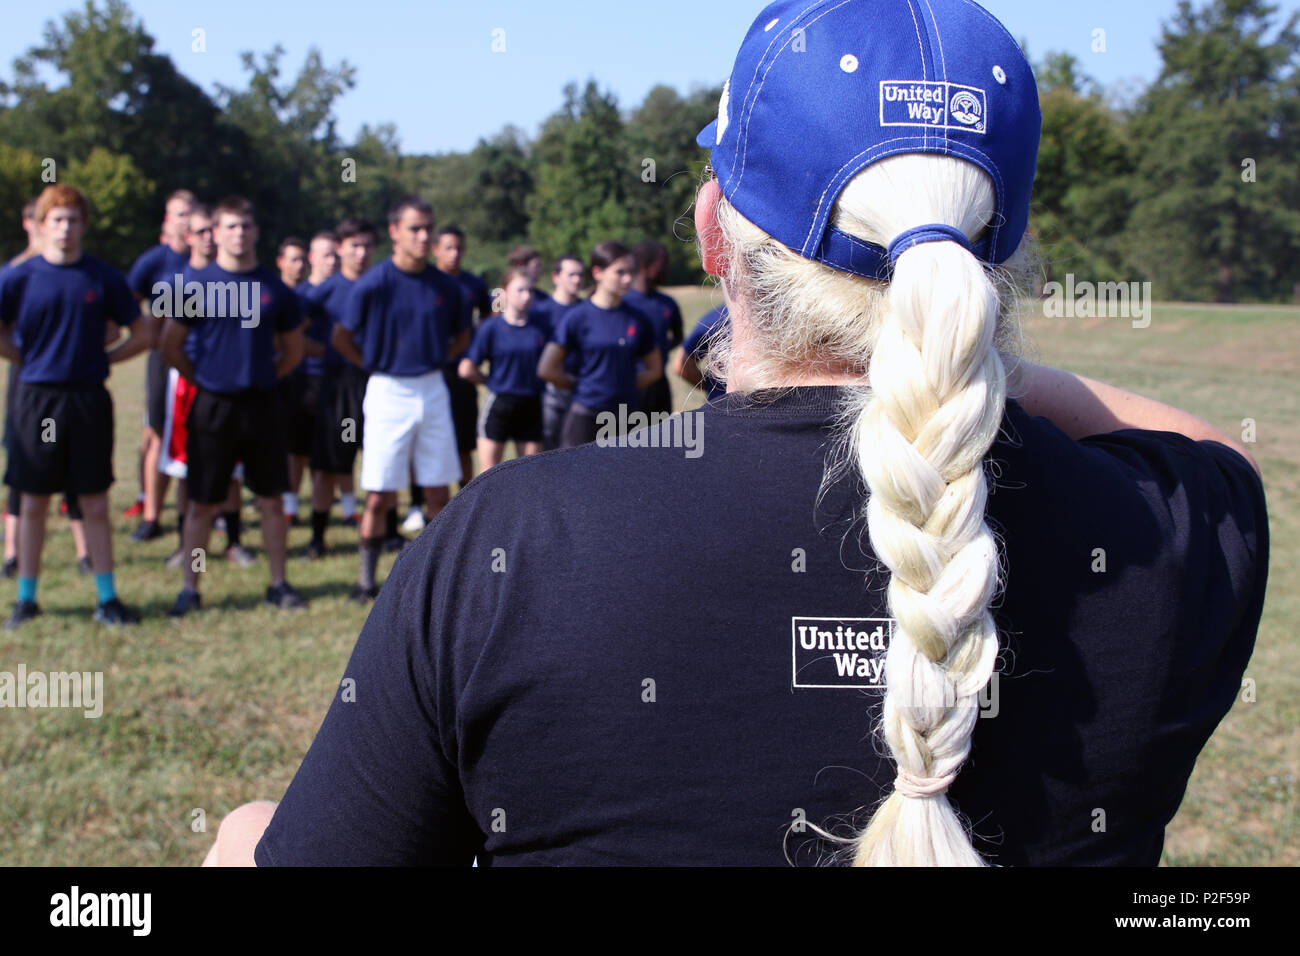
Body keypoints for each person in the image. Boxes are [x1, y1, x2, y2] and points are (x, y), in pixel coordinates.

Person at [206, 0, 1268, 867]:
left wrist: (243, 839)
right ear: (1005, 255)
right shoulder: (1167, 543)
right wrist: (967, 362)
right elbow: (1212, 451)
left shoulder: (512, 544)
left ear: (714, 232)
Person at [0, 184, 154, 628]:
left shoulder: (102, 277)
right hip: (36, 399)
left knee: (95, 503)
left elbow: (142, 333)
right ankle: (26, 599)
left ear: (84, 225)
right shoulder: (19, 277)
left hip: (88, 400)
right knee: (33, 503)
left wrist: (104, 359)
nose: (65, 228)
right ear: (41, 225)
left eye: (73, 219)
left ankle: (107, 598)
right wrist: (25, 359)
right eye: (57, 220)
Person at [160, 196, 307, 617]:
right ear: (215, 232)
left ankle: (278, 583)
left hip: (262, 405)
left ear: (256, 232)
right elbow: (171, 346)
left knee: (271, 500)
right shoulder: (194, 286)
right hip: (212, 406)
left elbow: (292, 351)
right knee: (202, 502)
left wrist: (263, 378)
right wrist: (204, 379)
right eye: (230, 226)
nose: (239, 233)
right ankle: (191, 588)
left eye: (245, 225)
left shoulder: (275, 289)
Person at [330, 196, 466, 602]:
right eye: (414, 228)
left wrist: (440, 358)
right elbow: (341, 336)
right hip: (388, 389)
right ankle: (365, 581)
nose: (424, 236)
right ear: (393, 232)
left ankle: (437, 579)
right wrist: (372, 363)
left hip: (432, 387)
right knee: (379, 492)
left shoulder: (444, 285)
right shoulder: (374, 283)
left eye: (429, 227)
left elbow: (463, 334)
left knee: (439, 489)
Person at [157, 204, 251, 570]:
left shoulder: (241, 280)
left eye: (211, 230)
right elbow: (163, 336)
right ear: (188, 237)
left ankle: (234, 539)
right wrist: (196, 376)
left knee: (233, 472)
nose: (208, 238)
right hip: (190, 382)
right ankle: (188, 547)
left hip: (230, 389)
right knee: (187, 469)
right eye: (200, 232)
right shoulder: (180, 281)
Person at [402, 225, 493, 532]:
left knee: (462, 441)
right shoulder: (424, 283)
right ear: (436, 249)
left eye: (459, 248)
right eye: (448, 248)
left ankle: (467, 505)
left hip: (459, 374)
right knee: (420, 442)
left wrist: (477, 351)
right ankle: (416, 504)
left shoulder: (473, 285)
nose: (454, 254)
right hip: (426, 371)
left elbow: (489, 323)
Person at [537, 240, 662, 448]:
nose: (628, 279)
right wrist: (581, 386)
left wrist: (625, 384)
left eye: (630, 272)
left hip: (626, 416)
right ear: (598, 273)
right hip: (585, 414)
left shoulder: (638, 319)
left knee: (626, 479)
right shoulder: (577, 317)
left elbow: (654, 369)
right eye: (620, 272)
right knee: (575, 478)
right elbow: (546, 368)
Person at [300, 217, 375, 560]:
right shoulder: (323, 292)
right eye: (353, 246)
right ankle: (317, 538)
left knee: (378, 463)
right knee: (328, 465)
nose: (360, 253)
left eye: (366, 246)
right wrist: (327, 351)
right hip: (338, 385)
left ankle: (382, 533)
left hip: (378, 384)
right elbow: (293, 334)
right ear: (341, 248)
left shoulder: (381, 286)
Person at [124, 188, 193, 542]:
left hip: (195, 364)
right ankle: (151, 515)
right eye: (179, 214)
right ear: (168, 220)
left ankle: (195, 519)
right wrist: (150, 331)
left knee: (190, 439)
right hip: (162, 361)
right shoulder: (154, 261)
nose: (185, 220)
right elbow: (125, 301)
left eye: (190, 213)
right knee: (156, 433)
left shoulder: (205, 261)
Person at [457, 266, 547, 469]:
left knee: (530, 474)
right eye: (520, 290)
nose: (526, 296)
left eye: (530, 290)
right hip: (500, 404)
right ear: (504, 291)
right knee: (489, 477)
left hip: (531, 405)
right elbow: (466, 368)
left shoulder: (542, 327)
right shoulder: (492, 327)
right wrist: (489, 381)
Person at [282, 232, 338, 528]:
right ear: (313, 258)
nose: (333, 260)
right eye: (326, 255)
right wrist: (318, 349)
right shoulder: (301, 296)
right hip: (303, 380)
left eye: (335, 254)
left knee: (330, 450)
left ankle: (339, 506)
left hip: (335, 382)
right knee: (297, 448)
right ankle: (291, 506)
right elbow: (291, 338)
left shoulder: (344, 290)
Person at [623, 240, 684, 416]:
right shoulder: (624, 303)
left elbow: (678, 337)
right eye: (662, 263)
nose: (665, 268)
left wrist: (657, 352)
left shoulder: (667, 304)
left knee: (661, 440)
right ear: (645, 265)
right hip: (631, 385)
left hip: (659, 386)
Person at [533, 254, 585, 450]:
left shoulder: (586, 310)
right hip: (548, 392)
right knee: (549, 452)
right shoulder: (540, 312)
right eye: (571, 275)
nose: (577, 280)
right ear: (556, 277)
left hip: (581, 389)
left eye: (580, 275)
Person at [673, 304, 729, 403]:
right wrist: (712, 386)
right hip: (722, 404)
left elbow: (681, 365)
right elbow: (682, 364)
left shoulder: (716, 316)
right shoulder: (718, 318)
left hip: (719, 404)